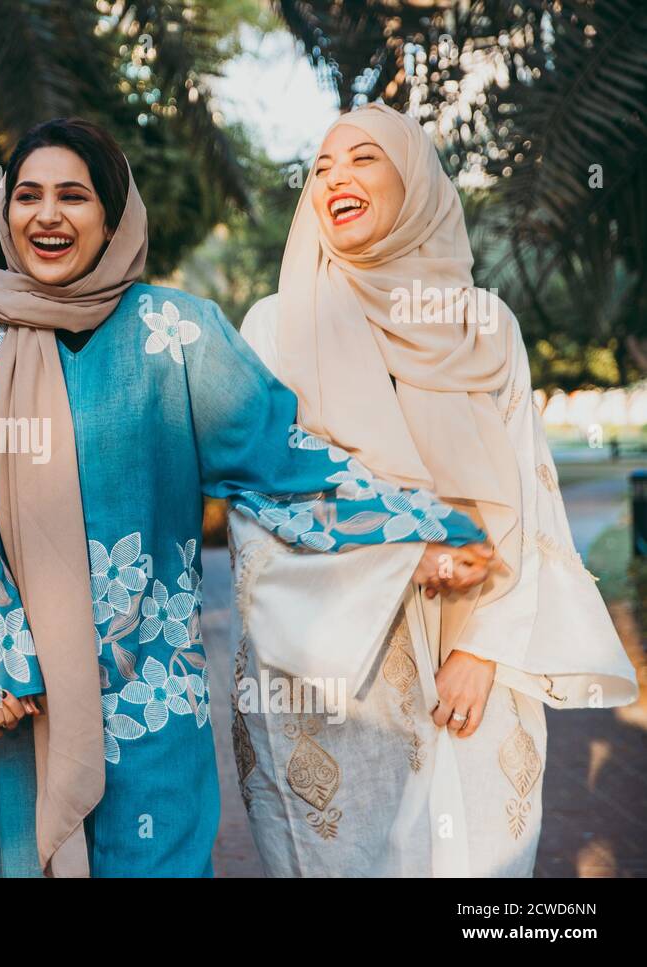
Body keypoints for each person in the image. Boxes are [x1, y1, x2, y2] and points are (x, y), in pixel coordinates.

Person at [0, 117, 494, 877]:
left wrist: (423, 526)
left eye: (74, 196)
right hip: (17, 713)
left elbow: (280, 462)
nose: (47, 215)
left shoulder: (176, 333)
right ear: (6, 213)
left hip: (152, 710)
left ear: (112, 218)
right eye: (28, 196)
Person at [228, 102, 639, 876]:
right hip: (338, 669)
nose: (334, 178)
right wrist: (398, 558)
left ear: (415, 181)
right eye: (320, 167)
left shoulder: (484, 324)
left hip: (475, 656)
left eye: (363, 159)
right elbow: (259, 502)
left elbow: (529, 494)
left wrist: (482, 647)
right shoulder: (278, 328)